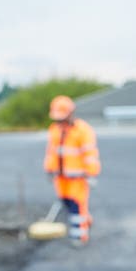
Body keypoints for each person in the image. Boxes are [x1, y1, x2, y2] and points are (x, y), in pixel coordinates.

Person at [43, 95, 101, 245]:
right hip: (61, 177)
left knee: (77, 206)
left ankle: (79, 236)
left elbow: (90, 154)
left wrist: (91, 173)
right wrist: (50, 170)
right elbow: (51, 152)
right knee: (67, 203)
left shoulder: (83, 130)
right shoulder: (54, 130)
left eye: (62, 118)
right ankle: (86, 221)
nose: (59, 121)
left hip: (78, 177)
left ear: (70, 113)